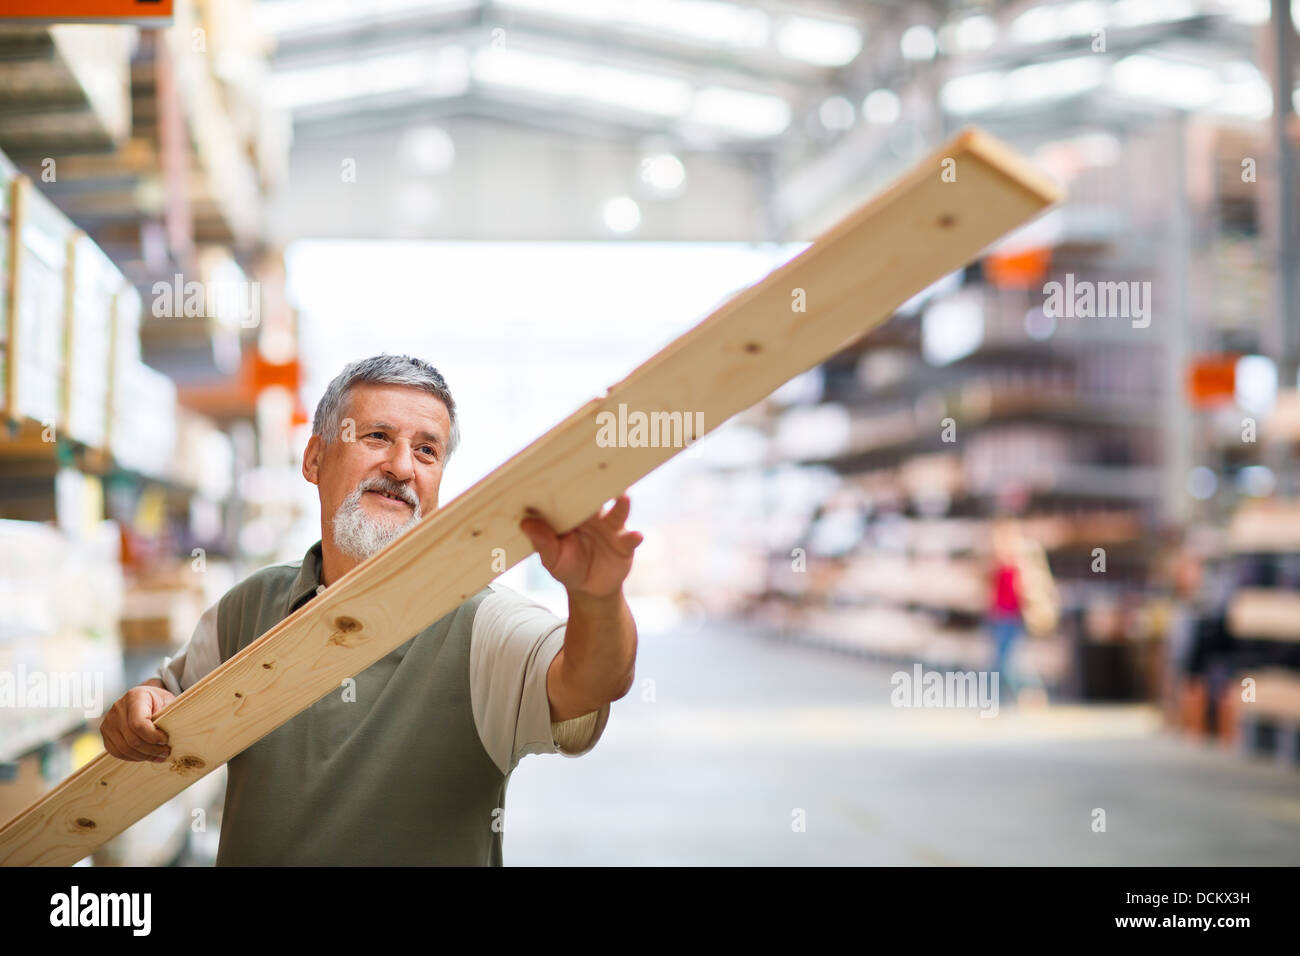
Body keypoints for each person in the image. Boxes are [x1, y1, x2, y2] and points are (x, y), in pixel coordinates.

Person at [99, 354, 643, 865]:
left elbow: (594, 679)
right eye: (378, 437)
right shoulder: (248, 607)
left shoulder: (485, 626)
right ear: (315, 458)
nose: (403, 466)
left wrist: (597, 596)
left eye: (427, 450)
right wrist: (144, 703)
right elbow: (166, 710)